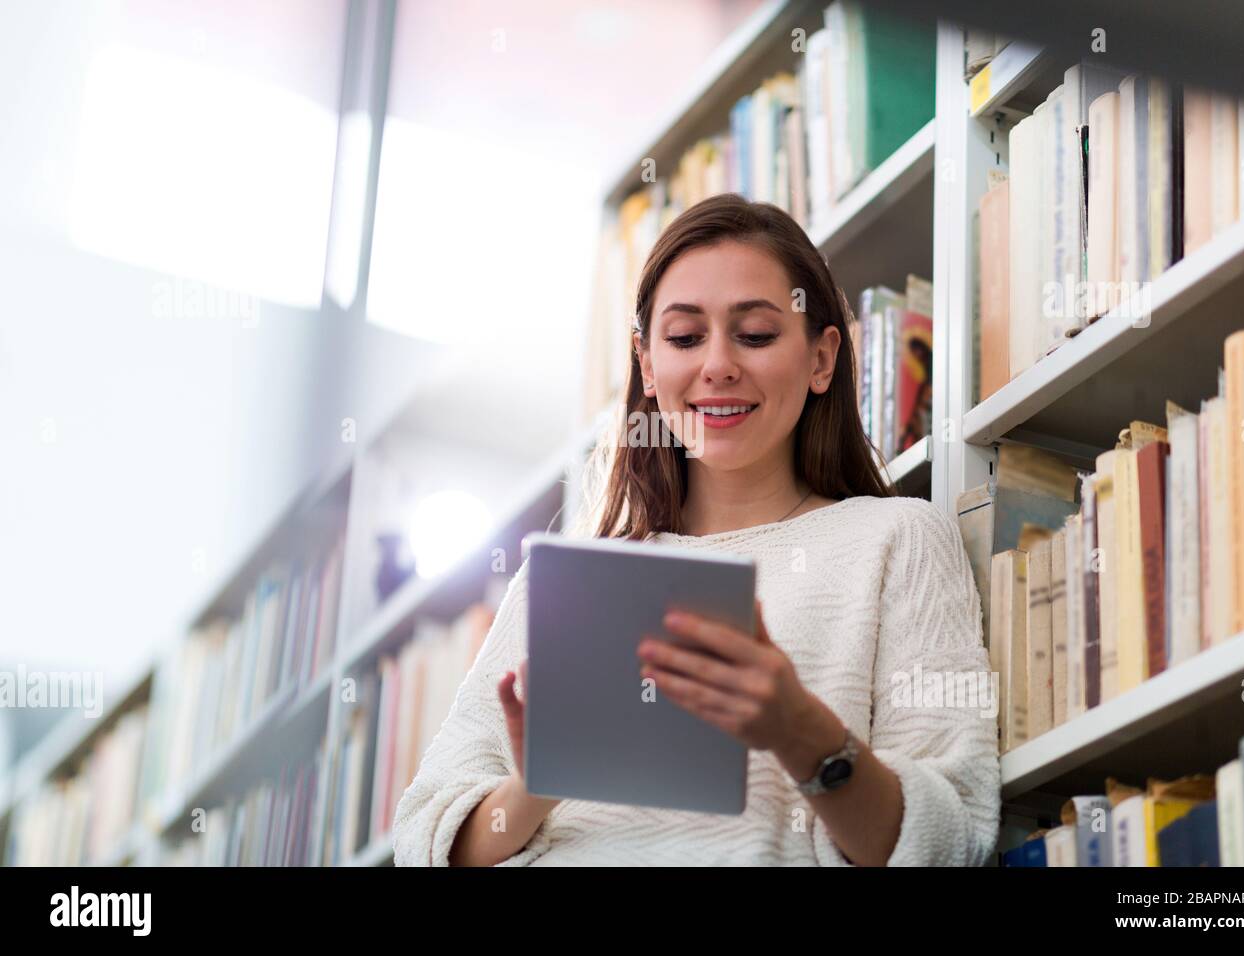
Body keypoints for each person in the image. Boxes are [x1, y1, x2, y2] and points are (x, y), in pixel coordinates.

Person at [391, 193, 999, 866]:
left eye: (757, 335)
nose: (717, 366)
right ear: (648, 365)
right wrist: (541, 782)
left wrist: (802, 732)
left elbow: (956, 837)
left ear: (823, 358)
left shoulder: (899, 539)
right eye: (684, 338)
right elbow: (428, 840)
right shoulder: (559, 584)